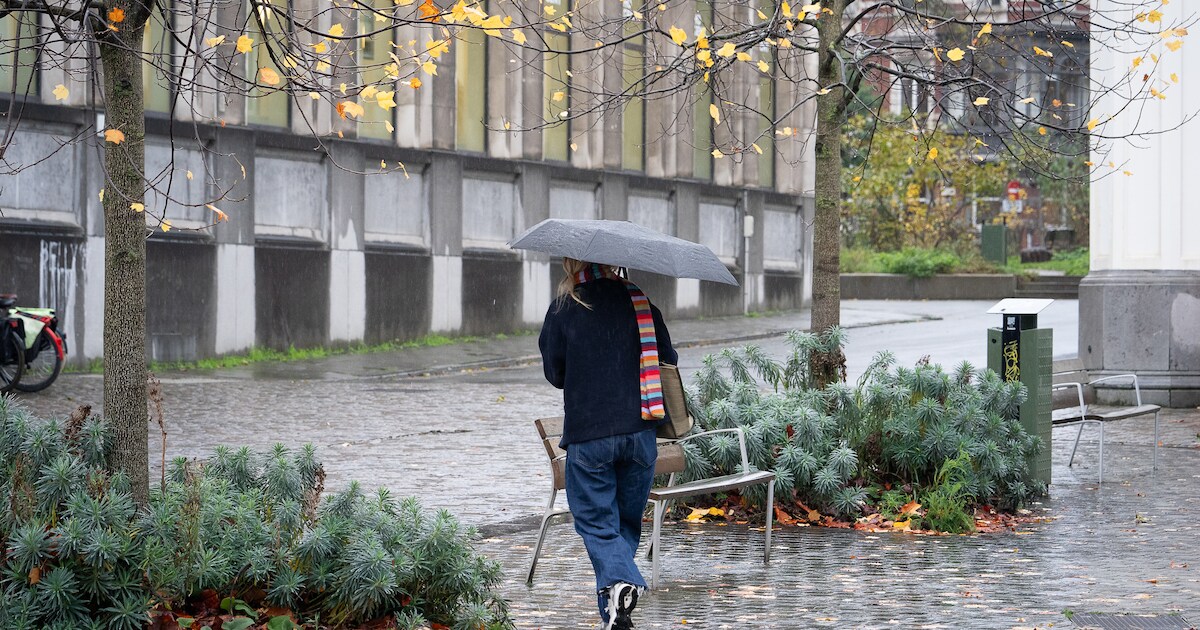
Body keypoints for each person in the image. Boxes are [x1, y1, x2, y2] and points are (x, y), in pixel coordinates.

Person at [538, 258, 678, 630]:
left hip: (591, 437)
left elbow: (555, 373)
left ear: (572, 262)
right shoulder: (641, 302)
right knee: (624, 525)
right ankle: (616, 613)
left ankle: (621, 584)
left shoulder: (566, 306)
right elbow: (668, 359)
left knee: (597, 525)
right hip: (640, 434)